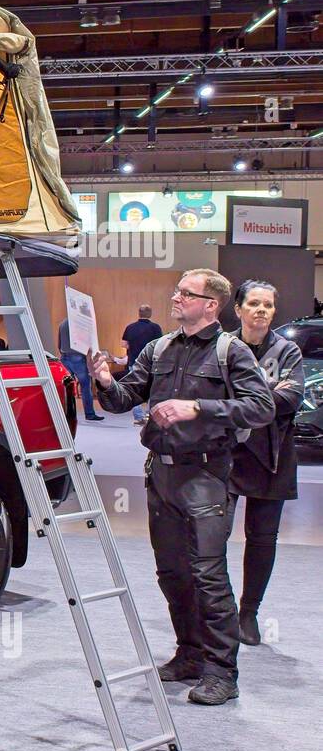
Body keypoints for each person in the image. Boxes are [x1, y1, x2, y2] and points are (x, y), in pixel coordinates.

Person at [89, 269, 273, 705]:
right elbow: (124, 398)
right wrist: (104, 382)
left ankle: (221, 672)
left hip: (206, 477)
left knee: (208, 575)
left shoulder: (233, 352)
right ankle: (189, 654)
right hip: (162, 475)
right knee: (172, 573)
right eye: (177, 291)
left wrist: (197, 407)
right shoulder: (158, 348)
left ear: (211, 304)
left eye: (186, 293)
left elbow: (260, 407)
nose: (176, 298)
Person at [227, 280, 303, 646]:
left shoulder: (287, 350)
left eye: (268, 305)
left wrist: (242, 399)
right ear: (238, 309)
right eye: (254, 303)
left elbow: (294, 396)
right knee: (211, 535)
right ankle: (218, 611)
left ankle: (248, 613)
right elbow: (210, 394)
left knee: (262, 538)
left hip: (273, 456)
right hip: (225, 453)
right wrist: (265, 395)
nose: (261, 310)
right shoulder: (222, 346)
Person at [122, 304, 163, 426]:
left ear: (139, 313)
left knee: (135, 389)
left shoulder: (130, 327)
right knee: (152, 389)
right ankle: (151, 416)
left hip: (134, 362)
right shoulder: (155, 328)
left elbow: (124, 344)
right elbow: (160, 345)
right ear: (150, 314)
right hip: (152, 363)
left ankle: (138, 418)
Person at [59, 316, 104, 421]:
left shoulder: (62, 323)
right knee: (85, 387)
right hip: (78, 357)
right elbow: (86, 343)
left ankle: (66, 415)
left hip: (64, 357)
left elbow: (59, 342)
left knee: (66, 388)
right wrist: (89, 358)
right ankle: (89, 414)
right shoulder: (80, 324)